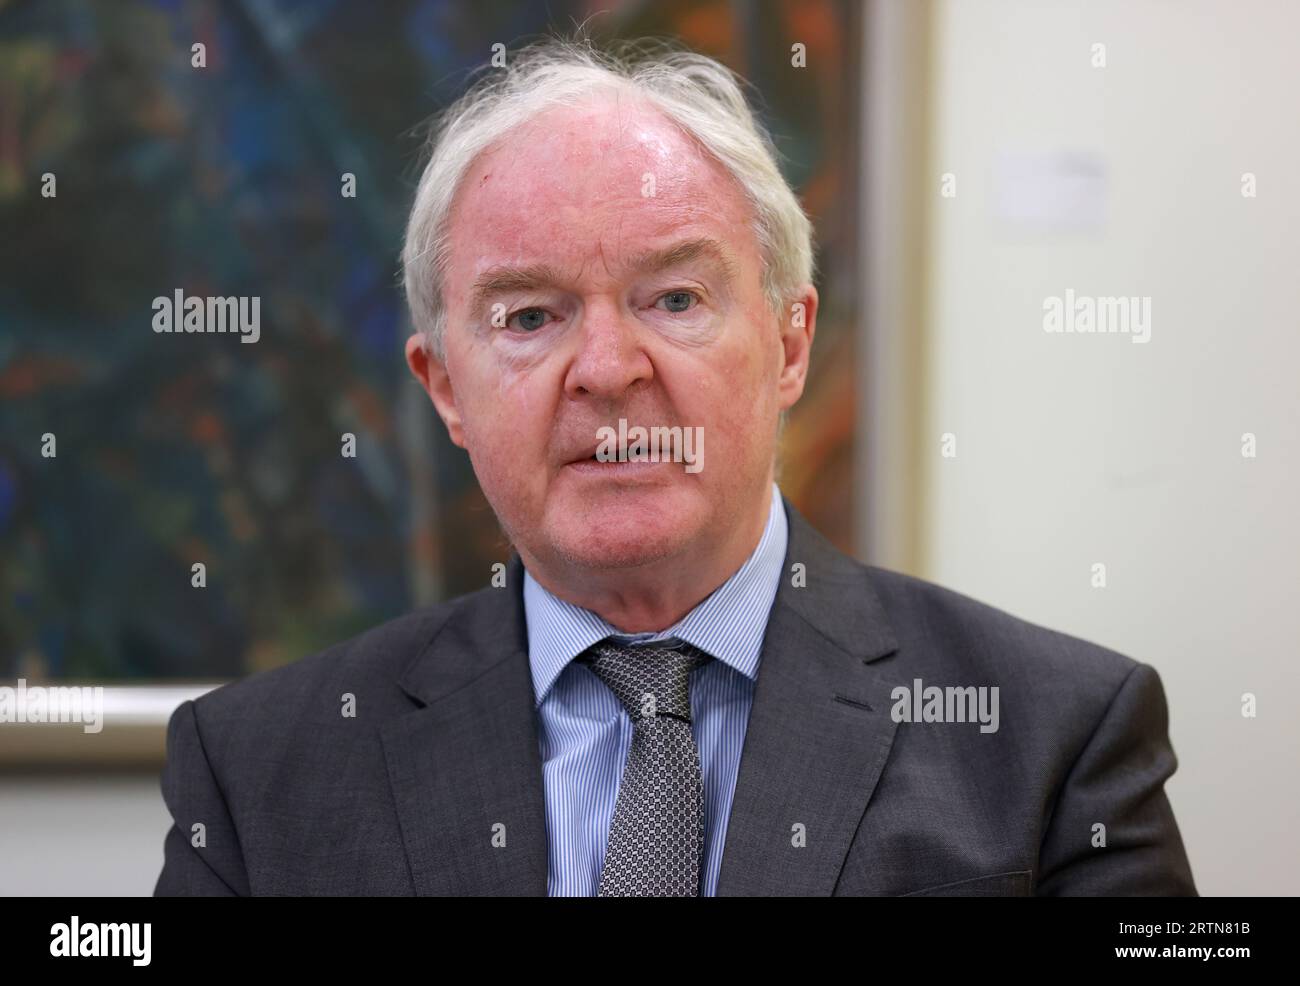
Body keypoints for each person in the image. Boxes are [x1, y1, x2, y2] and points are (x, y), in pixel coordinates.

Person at [154, 37, 1195, 896]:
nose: (607, 369)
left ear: (789, 344)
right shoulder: (259, 775)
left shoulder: (1053, 743)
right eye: (528, 315)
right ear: (444, 389)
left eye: (676, 300)